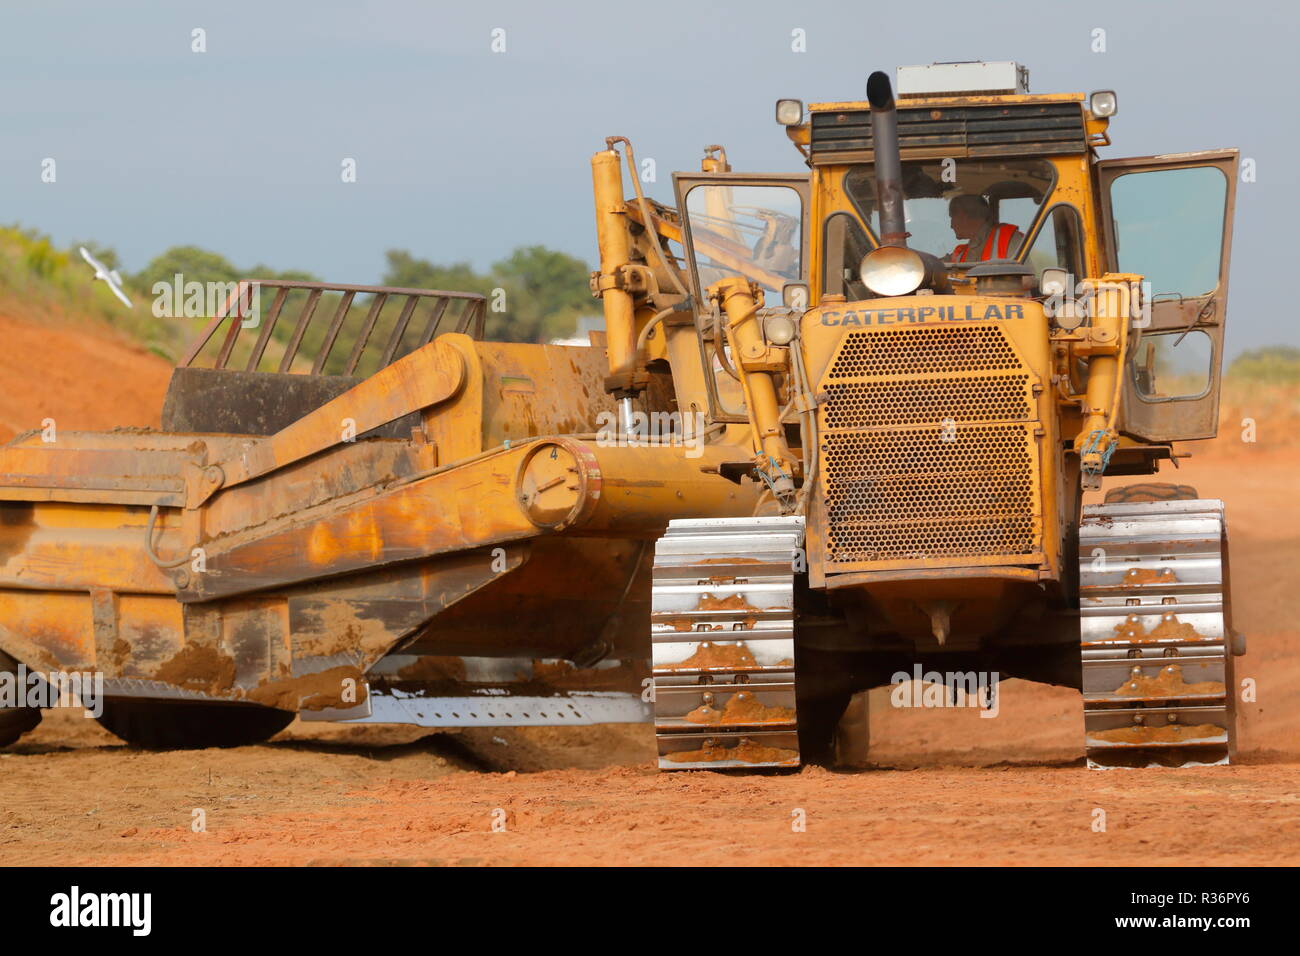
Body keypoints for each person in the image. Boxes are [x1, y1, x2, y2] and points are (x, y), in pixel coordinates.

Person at [948, 194, 1024, 262]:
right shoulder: (960, 253)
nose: (951, 226)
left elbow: (1026, 276)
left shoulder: (1007, 238)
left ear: (963, 217)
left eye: (952, 217)